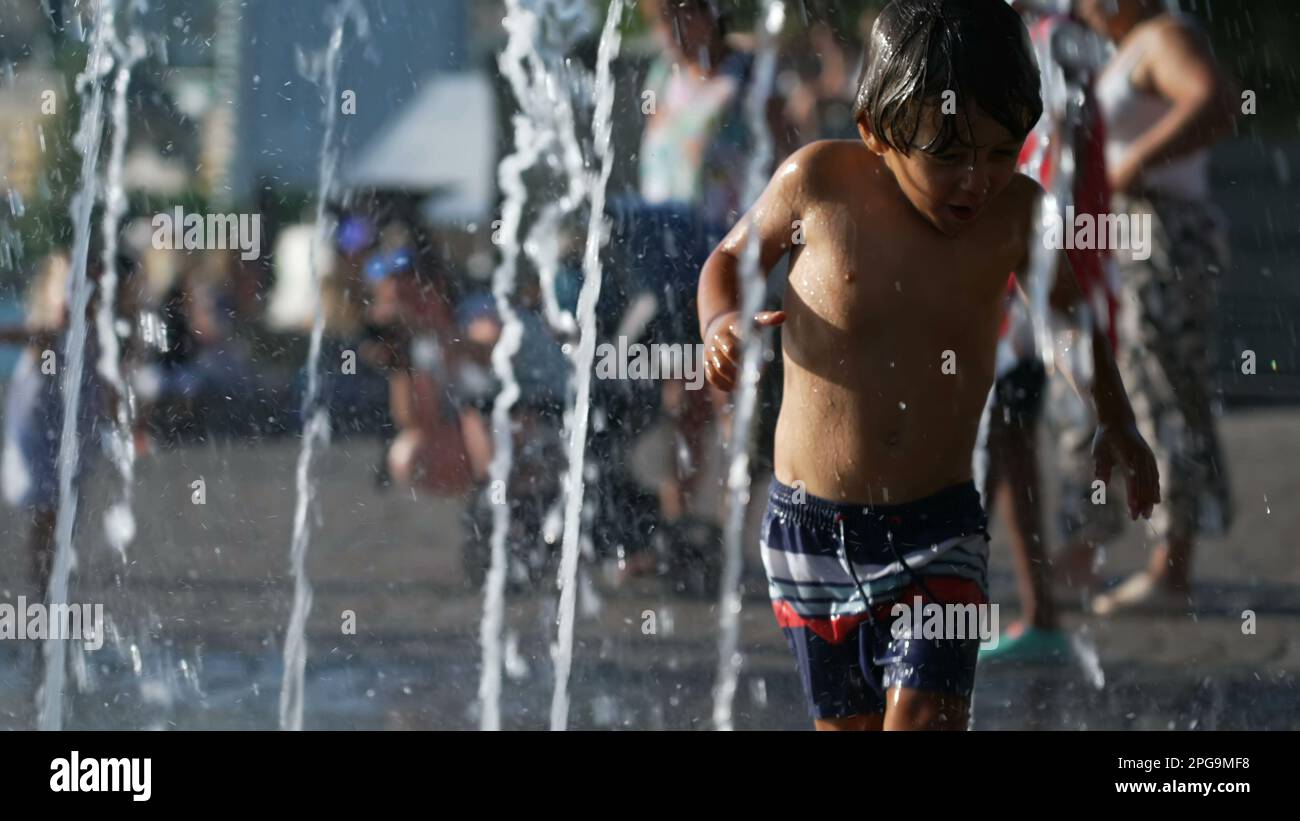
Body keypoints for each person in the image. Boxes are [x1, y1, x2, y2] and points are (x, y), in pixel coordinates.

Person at [697, 0, 1160, 731]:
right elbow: (727, 258)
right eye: (949, 156)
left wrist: (1114, 411)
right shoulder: (817, 183)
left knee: (921, 716)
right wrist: (721, 320)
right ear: (878, 132)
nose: (977, 180)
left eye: (1002, 151)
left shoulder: (1018, 216)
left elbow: (1068, 319)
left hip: (936, 531)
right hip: (807, 534)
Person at [1076, 0, 1237, 614]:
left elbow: (1216, 99)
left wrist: (1131, 164)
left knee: (1162, 384)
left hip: (1160, 231)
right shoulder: (1131, 46)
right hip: (1141, 234)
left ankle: (1171, 569)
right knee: (1156, 384)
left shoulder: (1163, 36)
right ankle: (1164, 558)